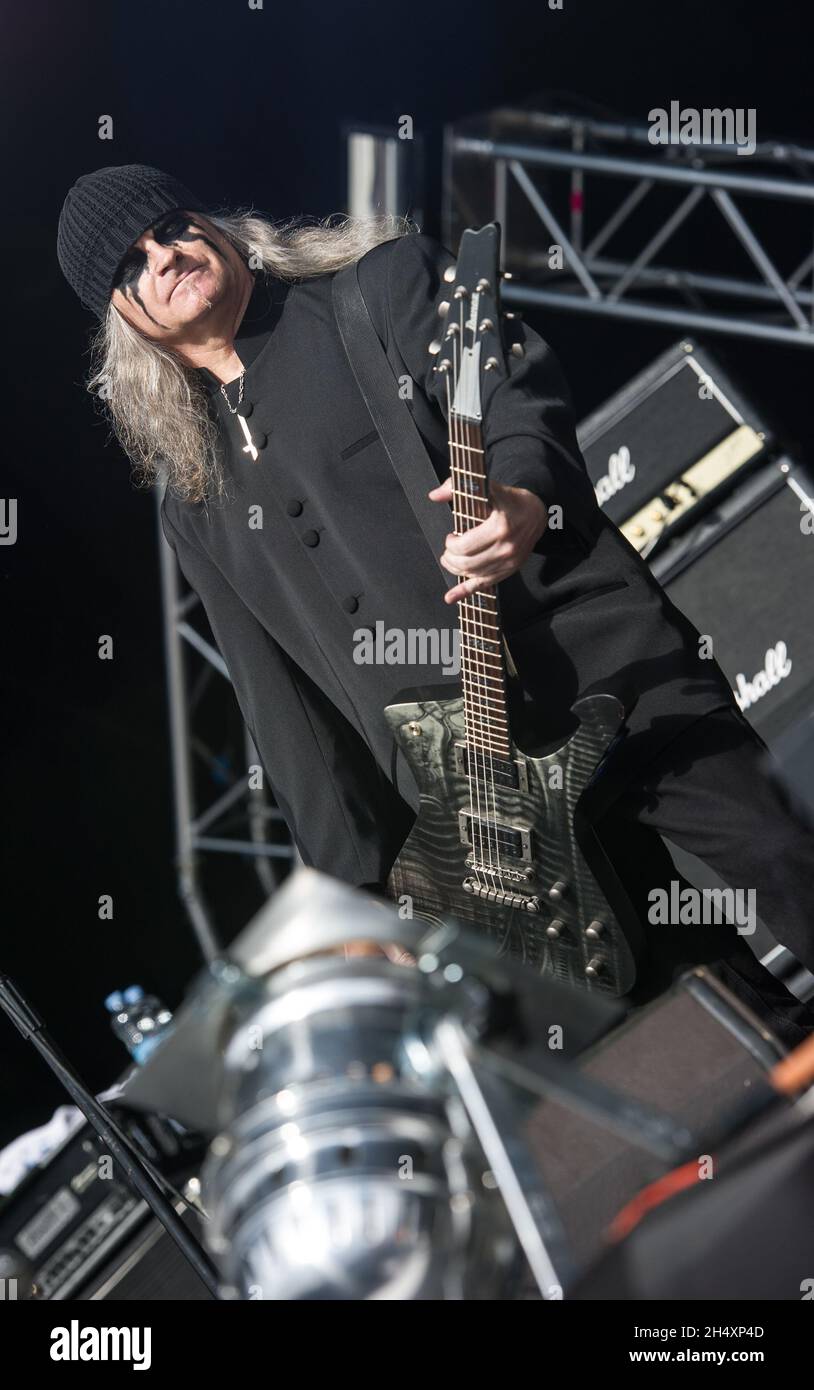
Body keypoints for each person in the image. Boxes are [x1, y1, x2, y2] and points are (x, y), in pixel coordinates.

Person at [57, 164, 814, 1043]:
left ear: (220, 226)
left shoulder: (374, 294)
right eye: (134, 263)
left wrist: (522, 498)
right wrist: (362, 902)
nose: (166, 254)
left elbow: (511, 395)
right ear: (124, 319)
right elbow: (283, 708)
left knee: (779, 860)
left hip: (603, 670)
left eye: (174, 225)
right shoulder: (192, 496)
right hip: (480, 803)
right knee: (680, 1020)